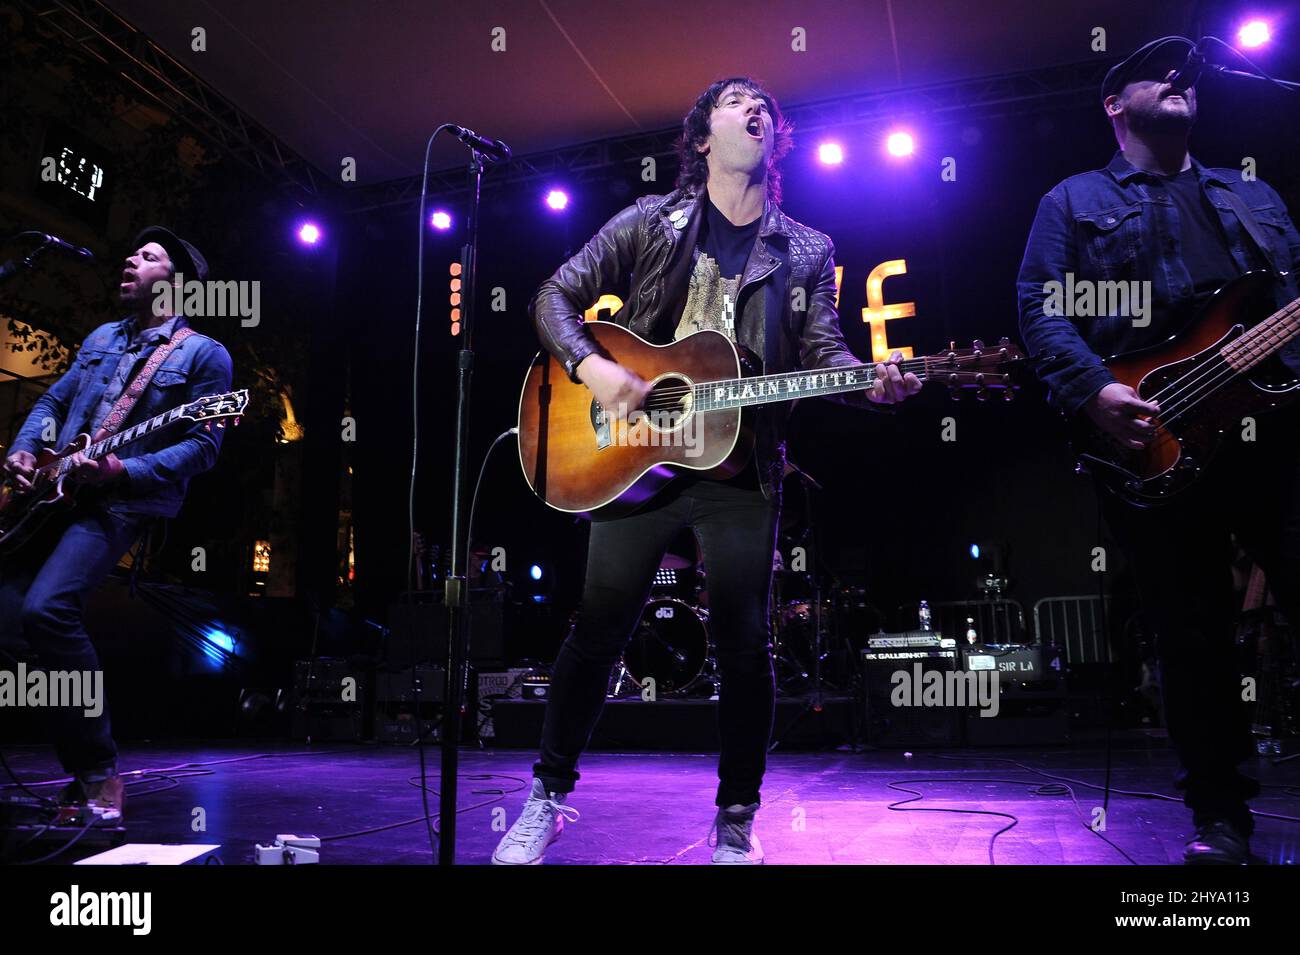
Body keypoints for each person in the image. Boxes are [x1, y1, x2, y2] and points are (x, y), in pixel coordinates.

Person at [494, 77, 921, 865]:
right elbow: (553, 296)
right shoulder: (652, 221)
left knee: (743, 640)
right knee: (596, 630)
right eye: (735, 100)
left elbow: (823, 354)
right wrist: (593, 366)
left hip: (742, 467)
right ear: (701, 138)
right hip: (631, 450)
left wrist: (877, 382)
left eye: (765, 104)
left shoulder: (807, 249)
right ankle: (546, 797)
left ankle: (735, 817)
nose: (755, 108)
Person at [1017, 37, 1300, 864]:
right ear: (1114, 105)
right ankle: (1221, 819)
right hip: (1155, 439)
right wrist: (1097, 392)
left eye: (1186, 73)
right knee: (1193, 637)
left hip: (1274, 432)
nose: (1179, 78)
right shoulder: (1072, 200)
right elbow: (1039, 309)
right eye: (1154, 71)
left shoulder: (1251, 195)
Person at [0, 226, 234, 822]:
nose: (131, 258)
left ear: (177, 283)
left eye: (149, 255)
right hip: (56, 491)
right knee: (9, 620)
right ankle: (81, 771)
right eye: (132, 251)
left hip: (119, 502)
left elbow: (203, 450)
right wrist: (29, 449)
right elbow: (54, 402)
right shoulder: (103, 337)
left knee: (46, 610)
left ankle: (100, 772)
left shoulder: (204, 356)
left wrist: (122, 470)